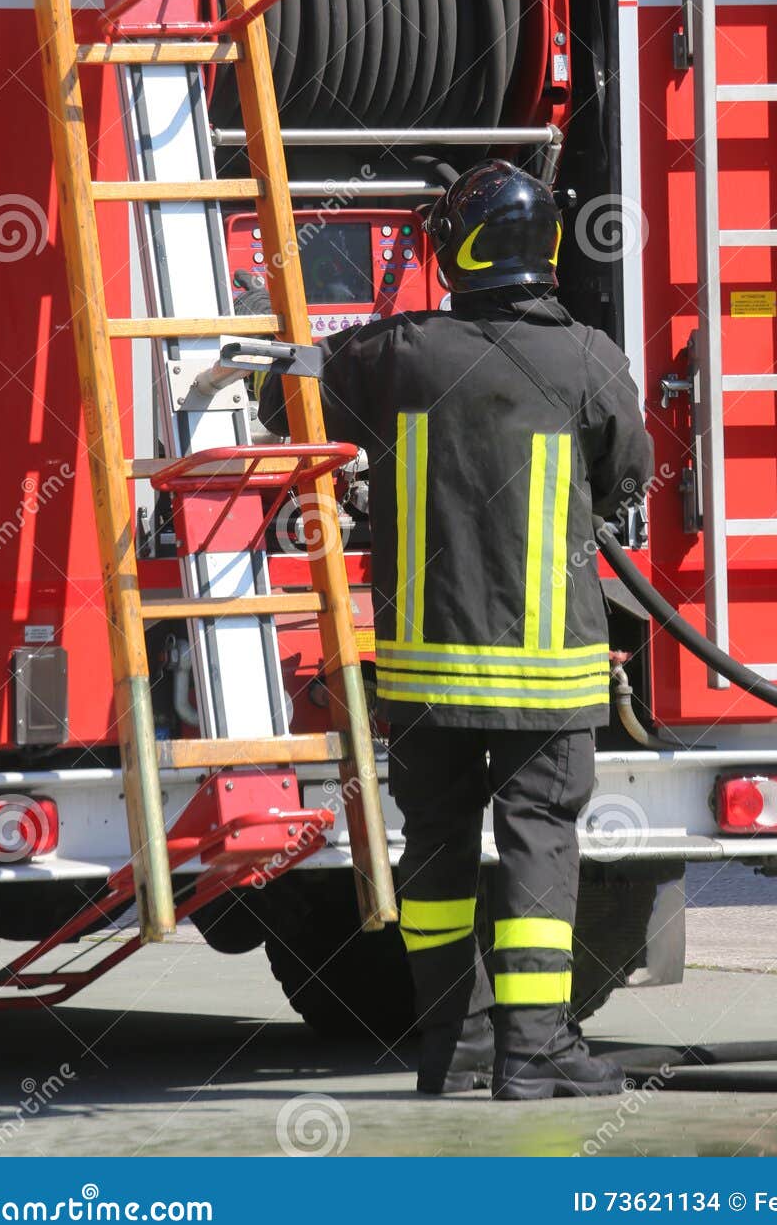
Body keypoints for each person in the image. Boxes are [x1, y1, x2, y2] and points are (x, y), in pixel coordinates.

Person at [259, 161, 653, 1101]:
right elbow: (627, 477)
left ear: (454, 253)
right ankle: (535, 1053)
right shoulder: (588, 358)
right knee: (537, 844)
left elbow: (286, 401)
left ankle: (454, 1046)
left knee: (433, 845)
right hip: (546, 669)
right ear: (546, 248)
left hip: (423, 672)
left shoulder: (394, 354)